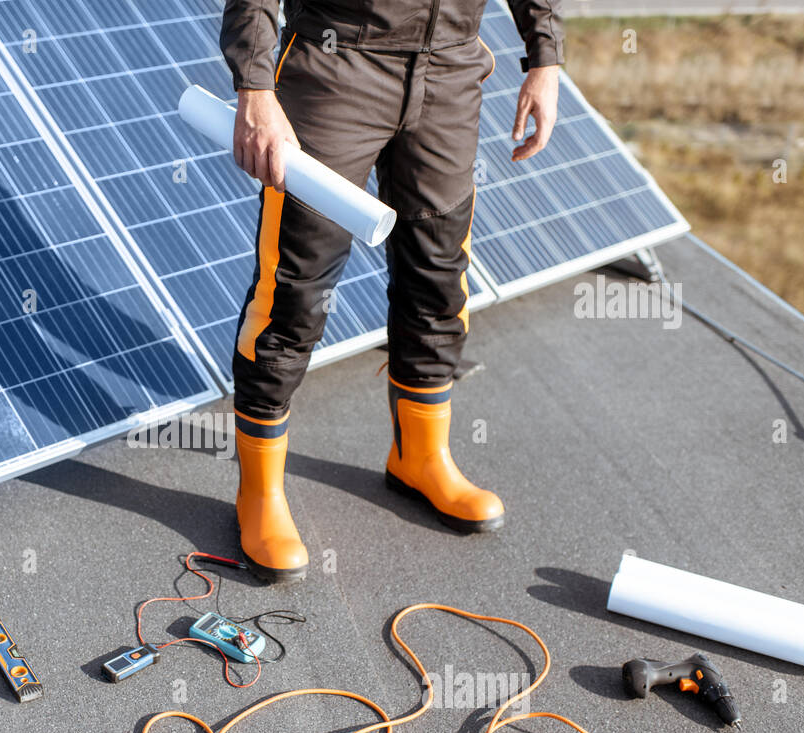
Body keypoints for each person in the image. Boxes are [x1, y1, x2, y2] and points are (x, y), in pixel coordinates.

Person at [222, 0, 563, 582]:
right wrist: (255, 86)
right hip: (337, 67)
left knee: (439, 278)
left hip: (451, 71)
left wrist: (545, 56)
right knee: (293, 296)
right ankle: (259, 493)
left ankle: (419, 457)